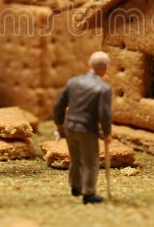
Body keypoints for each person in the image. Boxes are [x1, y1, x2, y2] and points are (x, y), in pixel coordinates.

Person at [53, 51, 112, 204]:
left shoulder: (73, 82)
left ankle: (75, 186)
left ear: (89, 64)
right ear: (105, 68)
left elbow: (59, 104)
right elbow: (104, 114)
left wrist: (59, 124)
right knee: (91, 162)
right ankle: (89, 193)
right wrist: (107, 133)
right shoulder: (103, 88)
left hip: (70, 127)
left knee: (75, 159)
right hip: (87, 130)